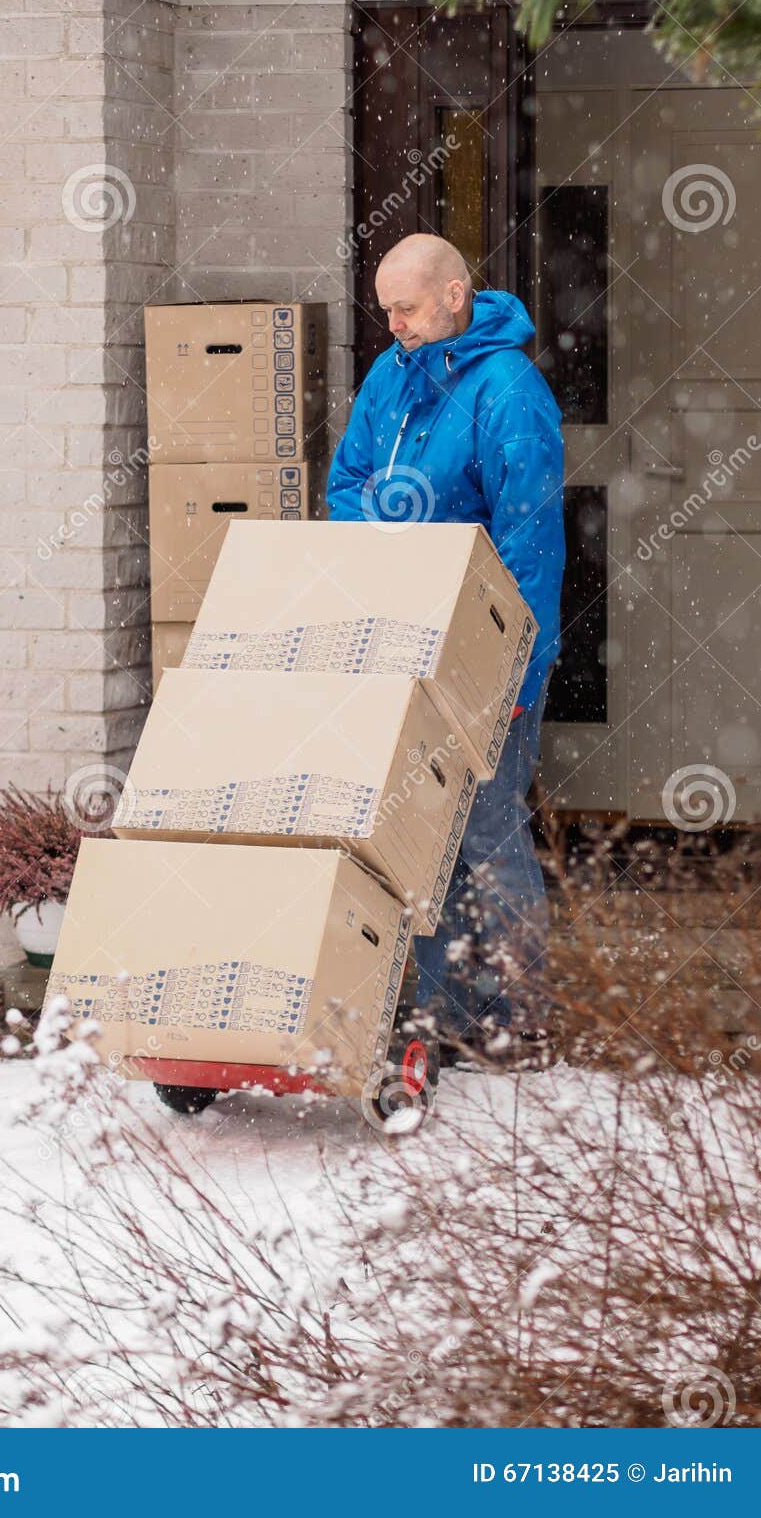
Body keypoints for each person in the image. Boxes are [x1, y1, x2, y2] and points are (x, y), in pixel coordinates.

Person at [326, 233, 565, 1068]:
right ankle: (449, 1011)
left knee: (490, 837)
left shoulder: (509, 392)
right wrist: (388, 549)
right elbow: (345, 483)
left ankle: (520, 1017)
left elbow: (530, 543)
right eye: (385, 309)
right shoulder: (390, 377)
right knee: (425, 838)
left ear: (455, 293)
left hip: (479, 654)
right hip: (399, 642)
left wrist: (518, 673)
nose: (393, 325)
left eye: (407, 307)